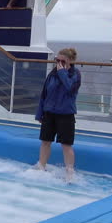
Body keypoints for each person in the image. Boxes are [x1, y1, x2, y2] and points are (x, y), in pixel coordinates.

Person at [35, 48, 82, 182]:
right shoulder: (52, 74)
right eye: (57, 60)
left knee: (66, 145)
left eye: (63, 61)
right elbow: (44, 94)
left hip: (66, 114)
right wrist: (40, 114)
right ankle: (41, 167)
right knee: (45, 142)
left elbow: (70, 89)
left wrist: (62, 73)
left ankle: (69, 173)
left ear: (71, 61)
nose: (59, 64)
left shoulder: (75, 74)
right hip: (49, 113)